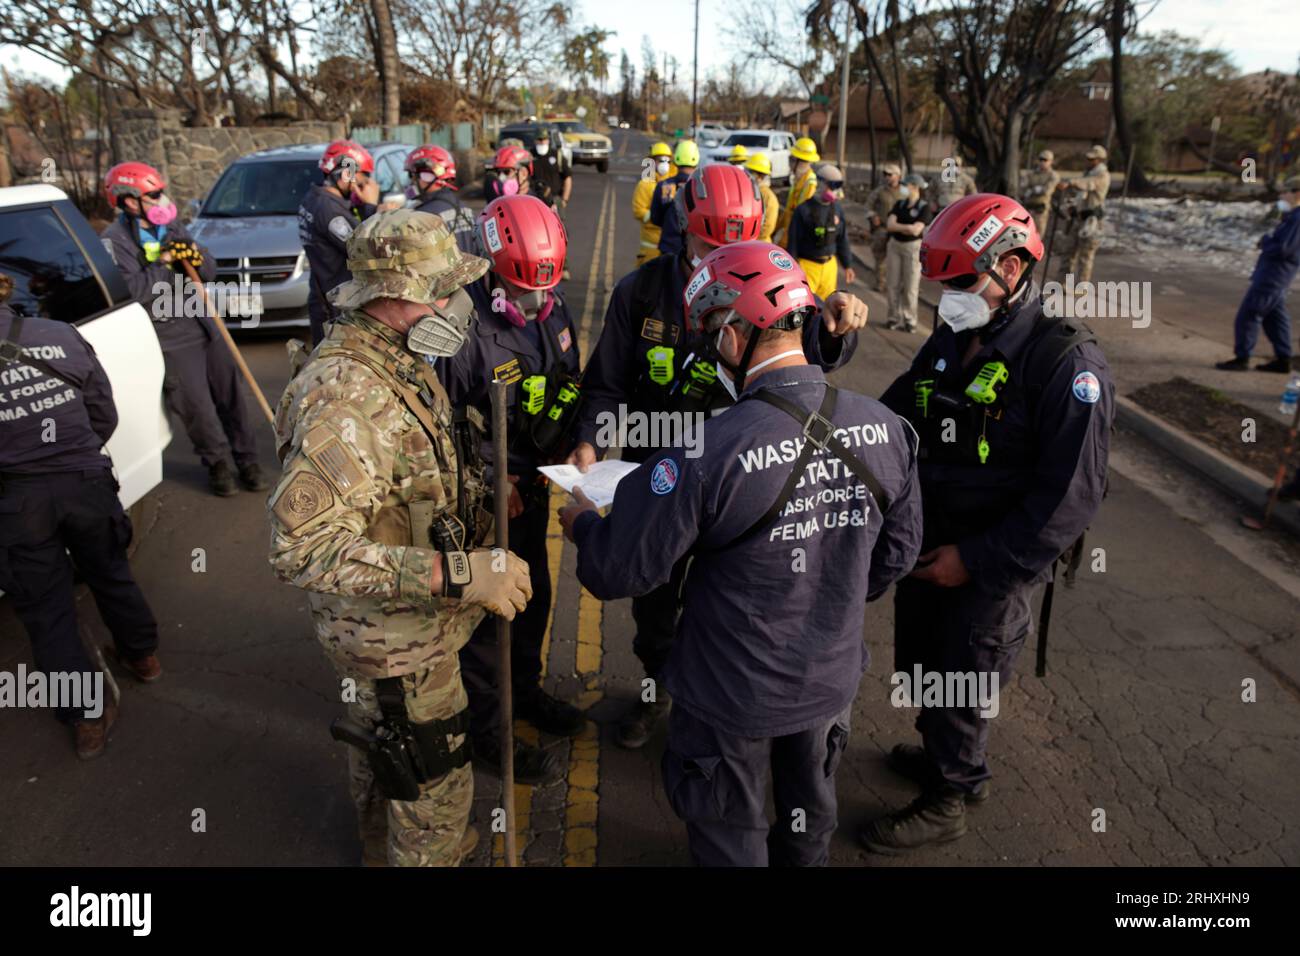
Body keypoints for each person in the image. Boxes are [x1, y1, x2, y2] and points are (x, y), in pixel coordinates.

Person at [558, 241, 923, 865]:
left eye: (711, 331)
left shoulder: (705, 451)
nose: (709, 347)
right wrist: (822, 595)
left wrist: (584, 523)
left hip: (730, 693)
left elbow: (619, 569)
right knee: (808, 825)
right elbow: (897, 555)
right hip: (826, 682)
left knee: (730, 833)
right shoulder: (885, 427)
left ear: (734, 335)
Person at [568, 162, 869, 749]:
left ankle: (723, 711)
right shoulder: (642, 292)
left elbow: (806, 355)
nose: (723, 258)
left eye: (739, 242)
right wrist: (590, 438)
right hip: (662, 468)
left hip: (747, 475)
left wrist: (836, 330)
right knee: (654, 601)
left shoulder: (777, 278)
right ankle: (657, 691)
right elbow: (607, 382)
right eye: (711, 244)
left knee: (733, 596)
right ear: (684, 225)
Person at [268, 209, 533, 867]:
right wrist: (464, 574)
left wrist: (477, 486)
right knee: (431, 779)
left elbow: (407, 467)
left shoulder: (388, 351)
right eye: (447, 291)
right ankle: (429, 854)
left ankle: (383, 842)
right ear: (401, 294)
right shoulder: (349, 392)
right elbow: (304, 547)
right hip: (394, 640)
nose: (460, 305)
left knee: (383, 752)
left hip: (394, 637)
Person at [863, 193, 1113, 853]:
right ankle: (943, 755)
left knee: (965, 668)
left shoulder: (1063, 362)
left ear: (1010, 266)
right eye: (943, 283)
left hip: (989, 560)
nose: (948, 296)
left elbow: (1071, 496)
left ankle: (952, 790)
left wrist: (973, 559)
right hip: (930, 539)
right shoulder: (956, 336)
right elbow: (902, 410)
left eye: (961, 281)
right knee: (926, 660)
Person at [437, 195, 584, 785]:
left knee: (533, 600)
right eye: (523, 291)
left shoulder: (552, 306)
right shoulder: (457, 326)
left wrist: (576, 443)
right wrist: (488, 478)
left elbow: (570, 380)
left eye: (544, 291)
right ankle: (488, 734)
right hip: (486, 497)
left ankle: (524, 694)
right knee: (485, 620)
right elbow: (438, 426)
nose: (536, 304)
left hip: (537, 483)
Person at [0, 275, 161, 759]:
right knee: (111, 573)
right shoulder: (59, 334)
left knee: (45, 610)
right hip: (85, 483)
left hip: (17, 501)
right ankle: (144, 657)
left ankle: (86, 719)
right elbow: (102, 412)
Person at [101, 162, 266, 497]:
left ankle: (247, 461)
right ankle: (218, 464)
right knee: (197, 407)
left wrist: (194, 257)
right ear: (130, 201)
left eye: (162, 192)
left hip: (203, 323)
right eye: (154, 195)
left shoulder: (171, 225)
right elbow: (132, 291)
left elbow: (209, 269)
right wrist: (162, 263)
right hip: (169, 336)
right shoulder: (113, 242)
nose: (163, 200)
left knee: (231, 397)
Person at [298, 140, 381, 345]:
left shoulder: (313, 198)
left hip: (323, 297)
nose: (363, 184)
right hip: (335, 306)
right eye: (362, 177)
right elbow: (364, 250)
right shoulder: (330, 211)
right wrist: (370, 207)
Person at [1215, 175, 1300, 373]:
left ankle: (1242, 357)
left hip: (1274, 275)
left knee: (1248, 315)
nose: (1281, 195)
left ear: (1297, 194)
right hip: (1275, 274)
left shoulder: (1297, 220)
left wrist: (1265, 242)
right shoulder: (1291, 218)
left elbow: (1285, 249)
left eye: (1285, 191)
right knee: (1275, 318)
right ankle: (1283, 358)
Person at [786, 163, 856, 298]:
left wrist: (847, 265)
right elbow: (793, 243)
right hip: (807, 266)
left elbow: (842, 238)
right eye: (832, 185)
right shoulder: (803, 210)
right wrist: (792, 270)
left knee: (827, 307)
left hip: (829, 266)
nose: (835, 190)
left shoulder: (837, 209)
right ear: (820, 183)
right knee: (806, 305)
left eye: (838, 186)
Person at [883, 174, 934, 333]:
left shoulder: (924, 207)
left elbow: (917, 229)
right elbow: (890, 225)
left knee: (911, 286)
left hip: (913, 248)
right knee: (892, 284)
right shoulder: (900, 204)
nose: (903, 187)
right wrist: (906, 227)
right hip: (895, 246)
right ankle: (893, 317)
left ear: (914, 187)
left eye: (906, 185)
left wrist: (900, 226)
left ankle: (910, 320)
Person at [1053, 144, 1111, 285]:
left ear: (1100, 160)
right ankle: (1061, 283)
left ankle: (1083, 286)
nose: (1089, 161)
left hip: (1091, 221)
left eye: (1093, 159)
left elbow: (1088, 184)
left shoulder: (1102, 175)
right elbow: (1080, 195)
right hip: (1078, 219)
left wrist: (1071, 182)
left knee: (1085, 256)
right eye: (1088, 159)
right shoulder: (1087, 173)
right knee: (1068, 252)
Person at [405, 144, 476, 255]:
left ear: (428, 176)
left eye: (413, 175)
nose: (412, 182)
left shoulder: (423, 215)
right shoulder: (465, 208)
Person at [650, 140, 699, 256]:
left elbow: (655, 219)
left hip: (668, 248)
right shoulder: (702, 188)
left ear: (675, 159)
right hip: (693, 253)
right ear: (696, 160)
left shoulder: (663, 185)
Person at [633, 142, 676, 264]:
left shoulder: (674, 183)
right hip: (650, 246)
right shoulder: (645, 185)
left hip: (670, 246)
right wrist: (657, 218)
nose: (664, 164)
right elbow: (638, 210)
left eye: (667, 160)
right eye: (660, 160)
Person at [774, 136, 821, 247]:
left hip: (796, 236)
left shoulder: (809, 183)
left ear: (801, 162)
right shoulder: (798, 179)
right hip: (789, 231)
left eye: (792, 159)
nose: (790, 163)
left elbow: (801, 216)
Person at [866, 163, 904, 293]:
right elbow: (868, 206)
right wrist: (873, 216)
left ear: (898, 176)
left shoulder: (905, 191)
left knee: (899, 259)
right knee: (880, 257)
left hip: (900, 230)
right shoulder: (880, 191)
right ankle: (880, 283)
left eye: (890, 174)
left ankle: (899, 285)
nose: (887, 177)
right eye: (885, 174)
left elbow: (914, 204)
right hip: (882, 228)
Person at [528, 129, 573, 216]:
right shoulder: (530, 156)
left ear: (548, 140)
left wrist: (564, 200)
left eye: (544, 139)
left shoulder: (557, 155)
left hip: (555, 199)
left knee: (557, 227)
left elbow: (567, 178)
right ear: (535, 141)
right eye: (539, 139)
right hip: (535, 200)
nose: (542, 142)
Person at [1021, 150, 1060, 238]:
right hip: (1028, 207)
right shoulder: (1031, 173)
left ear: (1051, 161)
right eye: (1041, 159)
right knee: (1024, 232)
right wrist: (1028, 190)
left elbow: (1048, 190)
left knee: (1037, 234)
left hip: (1041, 209)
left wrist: (1035, 189)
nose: (1042, 162)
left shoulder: (1053, 175)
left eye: (1045, 160)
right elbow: (1023, 187)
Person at [744, 153, 779, 243]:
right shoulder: (749, 191)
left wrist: (748, 236)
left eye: (750, 172)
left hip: (760, 244)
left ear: (760, 176)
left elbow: (768, 227)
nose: (747, 175)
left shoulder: (768, 197)